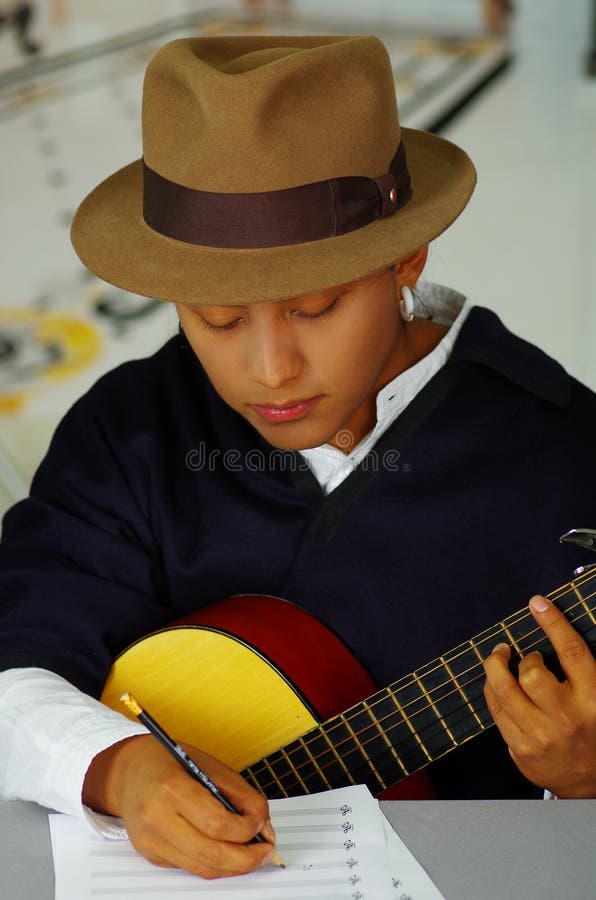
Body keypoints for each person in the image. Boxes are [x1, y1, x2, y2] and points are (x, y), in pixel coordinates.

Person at [0, 34, 595, 882]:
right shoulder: (131, 429)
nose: (270, 370)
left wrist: (583, 787)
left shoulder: (565, 454)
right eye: (218, 320)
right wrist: (117, 767)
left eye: (315, 308)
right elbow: (15, 662)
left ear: (407, 257)